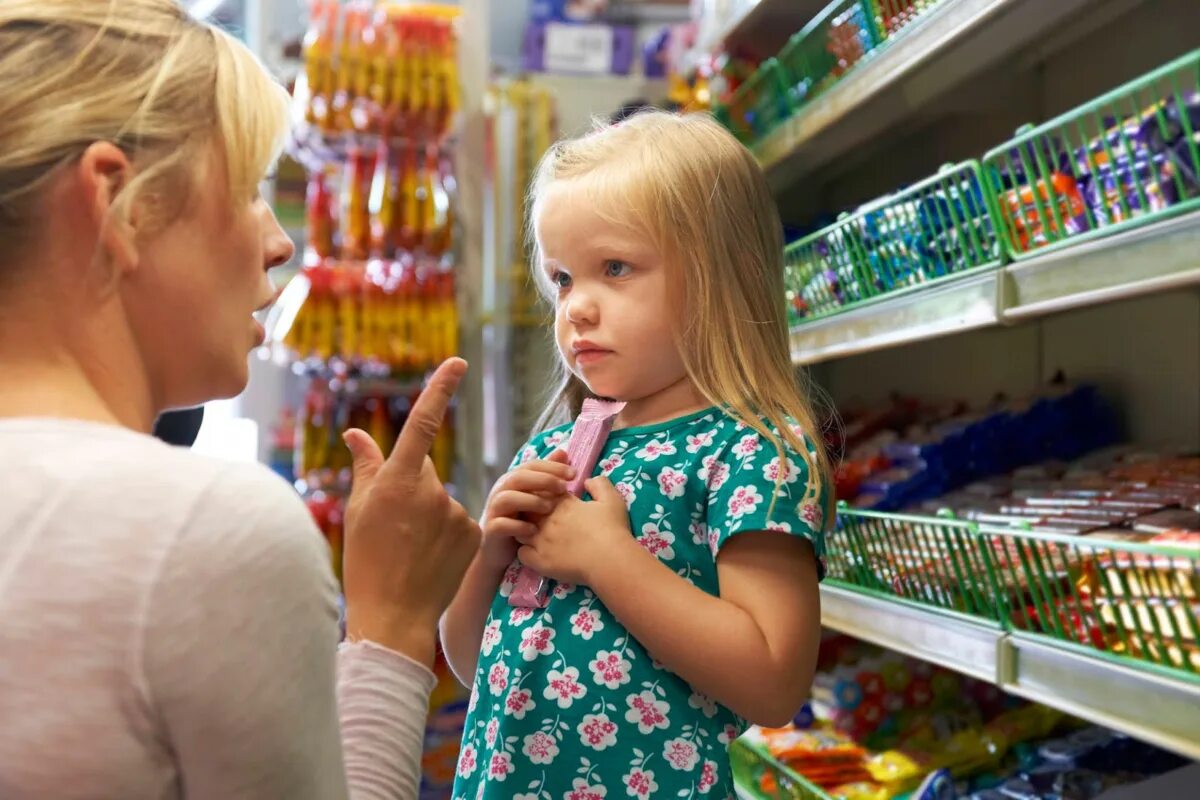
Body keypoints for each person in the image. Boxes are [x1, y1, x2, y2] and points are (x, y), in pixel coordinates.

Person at [0, 2, 479, 798]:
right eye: (251, 189)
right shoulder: (201, 535)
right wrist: (393, 627)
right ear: (121, 203)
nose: (279, 242)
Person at [441, 110, 833, 799]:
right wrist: (488, 553)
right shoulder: (558, 449)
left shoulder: (751, 453)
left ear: (719, 277)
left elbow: (774, 681)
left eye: (614, 268)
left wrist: (607, 560)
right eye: (562, 278)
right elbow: (476, 664)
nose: (576, 309)